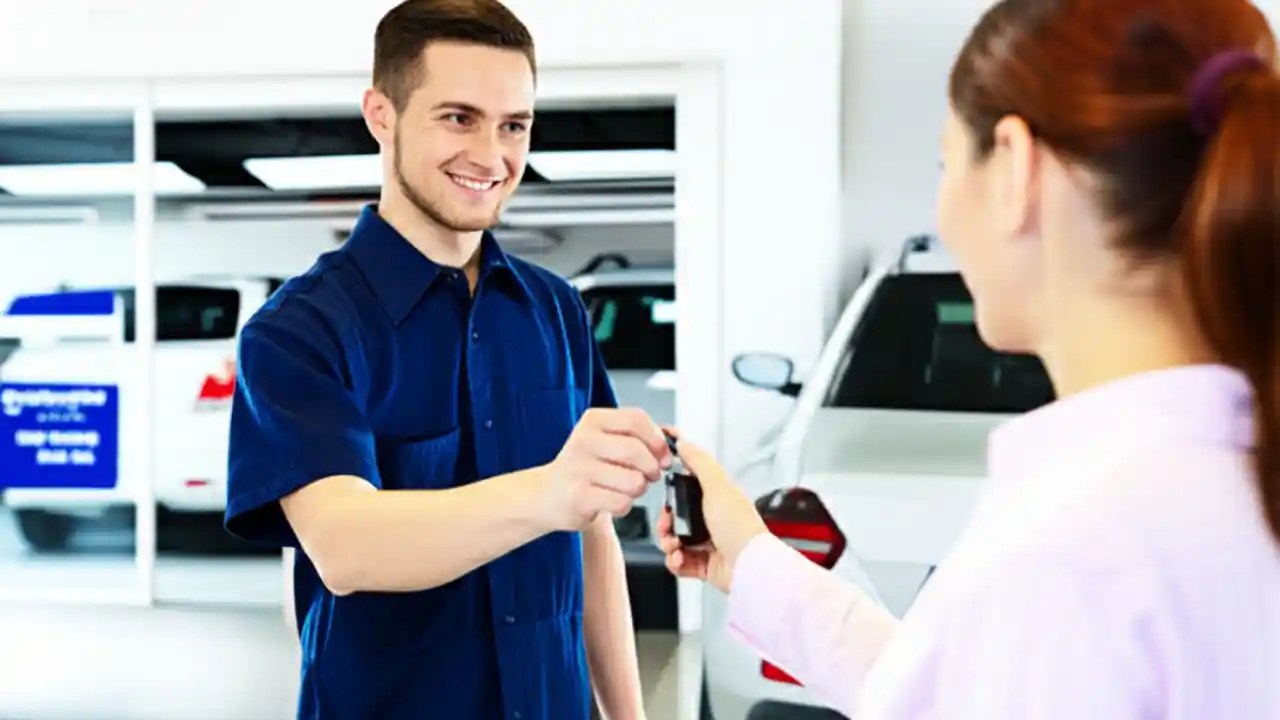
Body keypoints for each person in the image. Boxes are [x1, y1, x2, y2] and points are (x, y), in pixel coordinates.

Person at [660, 0, 1280, 717]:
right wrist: (754, 562)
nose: (943, 209)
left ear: (1014, 168)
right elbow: (951, 691)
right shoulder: (1205, 489)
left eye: (946, 162)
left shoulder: (1077, 542)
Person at [223, 2, 667, 719]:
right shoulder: (300, 330)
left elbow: (592, 537)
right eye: (458, 118)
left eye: (513, 125)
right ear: (381, 114)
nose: (491, 156)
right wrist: (550, 492)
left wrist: (628, 715)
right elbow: (346, 546)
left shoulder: (556, 311)